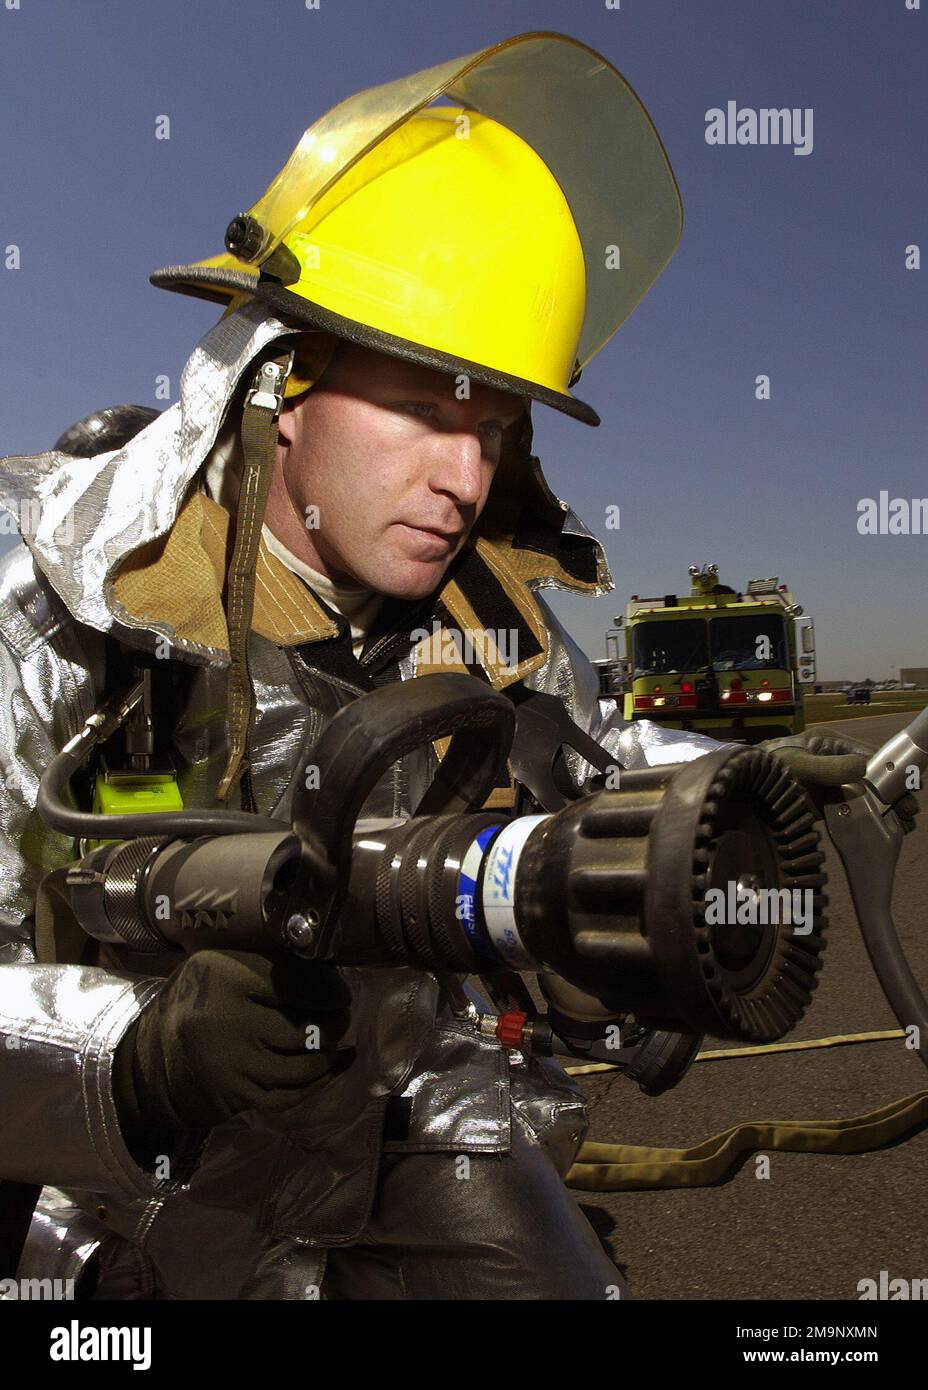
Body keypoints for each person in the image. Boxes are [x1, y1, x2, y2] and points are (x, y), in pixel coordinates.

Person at [0, 31, 897, 1301]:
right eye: (426, 407)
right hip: (111, 1180)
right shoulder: (48, 604)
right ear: (280, 385)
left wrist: (738, 798)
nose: (465, 479)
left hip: (405, 1117)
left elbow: (583, 773)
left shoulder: (484, 614)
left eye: (493, 427)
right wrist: (131, 1057)